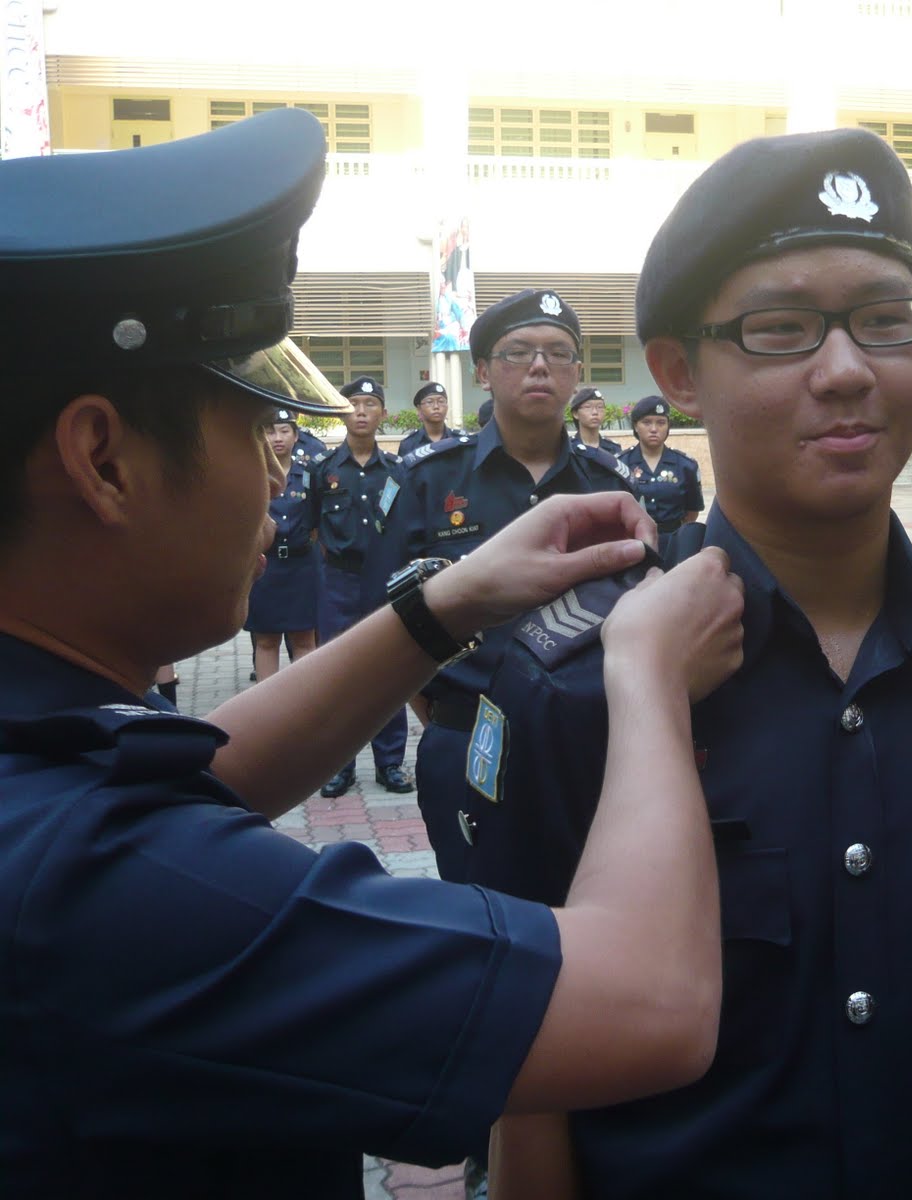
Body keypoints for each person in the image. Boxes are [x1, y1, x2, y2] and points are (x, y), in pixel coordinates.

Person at [0, 106, 746, 1198]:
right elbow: (651, 1006)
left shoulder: (43, 763)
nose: (273, 469)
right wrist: (645, 677)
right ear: (103, 460)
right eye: (252, 426)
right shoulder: (102, 890)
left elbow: (188, 766)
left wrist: (444, 607)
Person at [480, 127, 912, 1199]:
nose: (846, 372)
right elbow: (534, 1084)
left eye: (886, 321)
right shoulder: (580, 686)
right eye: (781, 329)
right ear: (678, 374)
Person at [386, 288, 633, 883]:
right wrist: (444, 715)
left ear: (577, 373)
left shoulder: (608, 484)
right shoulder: (430, 479)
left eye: (559, 352)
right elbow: (389, 619)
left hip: (588, 740)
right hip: (464, 734)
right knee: (482, 919)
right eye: (518, 351)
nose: (541, 365)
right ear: (482, 373)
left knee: (589, 909)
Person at [308, 376, 413, 798]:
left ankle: (390, 763)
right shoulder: (325, 471)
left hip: (386, 582)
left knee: (390, 670)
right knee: (339, 675)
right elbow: (314, 528)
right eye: (354, 404)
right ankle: (340, 765)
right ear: (343, 412)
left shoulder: (397, 473)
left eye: (371, 403)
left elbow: (406, 527)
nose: (362, 411)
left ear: (383, 414)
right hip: (340, 583)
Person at [245, 408, 319, 680]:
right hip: (267, 566)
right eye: (270, 430)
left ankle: (306, 703)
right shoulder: (252, 474)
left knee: (305, 639)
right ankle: (268, 707)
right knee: (266, 641)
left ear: (296, 435)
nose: (278, 437)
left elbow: (317, 522)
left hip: (302, 566)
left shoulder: (310, 472)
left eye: (285, 430)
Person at [619, 395, 704, 535]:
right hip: (633, 542)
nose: (654, 429)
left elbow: (692, 511)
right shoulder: (621, 464)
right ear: (635, 426)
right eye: (646, 422)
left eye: (661, 422)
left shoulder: (685, 466)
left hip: (674, 542)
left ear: (668, 426)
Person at [398, 381, 464, 457]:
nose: (436, 406)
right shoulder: (409, 444)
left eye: (441, 401)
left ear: (447, 406)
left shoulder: (459, 439)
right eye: (429, 402)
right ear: (419, 409)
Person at [569, 385, 622, 456]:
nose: (595, 412)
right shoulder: (568, 447)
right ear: (575, 414)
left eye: (600, 407)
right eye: (588, 407)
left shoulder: (613, 448)